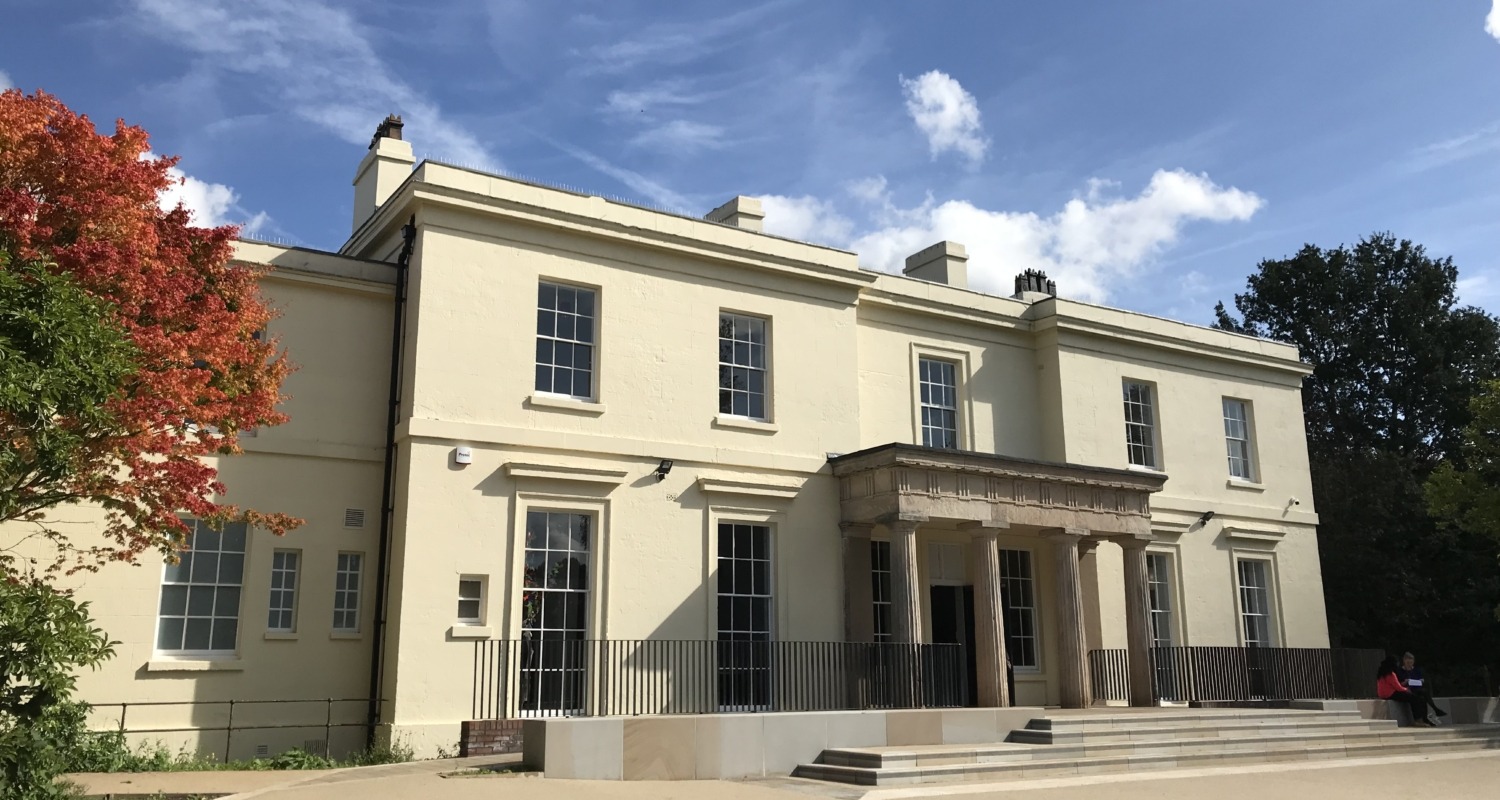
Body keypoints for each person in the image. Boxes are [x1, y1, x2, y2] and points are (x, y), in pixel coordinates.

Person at [1378, 655, 1433, 726]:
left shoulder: (1381, 673)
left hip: (1383, 694)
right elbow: (1398, 687)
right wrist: (1406, 689)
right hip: (1391, 693)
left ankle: (1421, 719)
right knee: (1414, 698)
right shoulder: (1391, 674)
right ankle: (1418, 720)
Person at [1396, 651, 1448, 722]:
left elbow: (1420, 679)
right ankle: (1435, 710)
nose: (1410, 664)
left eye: (1411, 662)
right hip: (1407, 689)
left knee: (1423, 696)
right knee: (1423, 694)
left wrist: (1421, 681)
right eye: (1408, 662)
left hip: (1417, 689)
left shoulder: (1416, 670)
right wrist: (1405, 682)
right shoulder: (1400, 671)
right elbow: (1398, 684)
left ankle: (1426, 718)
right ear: (1404, 661)